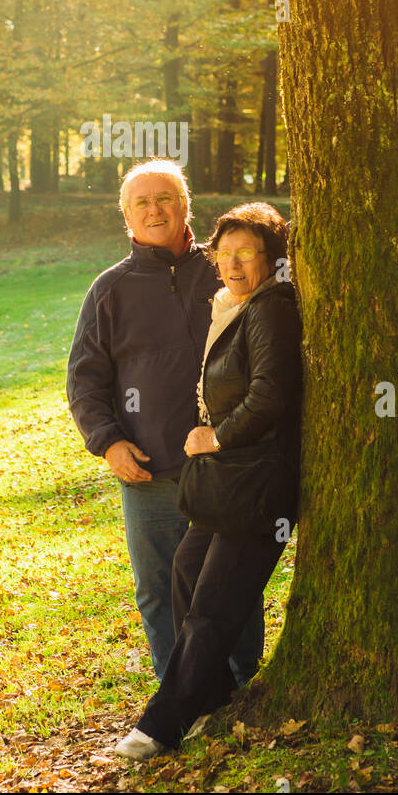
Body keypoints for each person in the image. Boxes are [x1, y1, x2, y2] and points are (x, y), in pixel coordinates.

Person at [114, 201, 303, 759]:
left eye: (249, 254)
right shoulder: (229, 306)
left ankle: (163, 722)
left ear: (271, 260)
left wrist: (215, 437)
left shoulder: (271, 308)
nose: (235, 265)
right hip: (230, 482)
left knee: (213, 605)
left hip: (260, 485)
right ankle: (214, 693)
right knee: (186, 570)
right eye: (225, 254)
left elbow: (271, 395)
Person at [66, 159, 265, 686]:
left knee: (230, 581)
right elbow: (84, 381)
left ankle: (246, 685)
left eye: (165, 199)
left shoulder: (223, 268)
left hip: (225, 462)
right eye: (142, 202)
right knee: (157, 587)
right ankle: (181, 694)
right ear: (126, 217)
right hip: (149, 471)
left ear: (186, 207)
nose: (155, 210)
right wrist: (109, 445)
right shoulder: (110, 290)